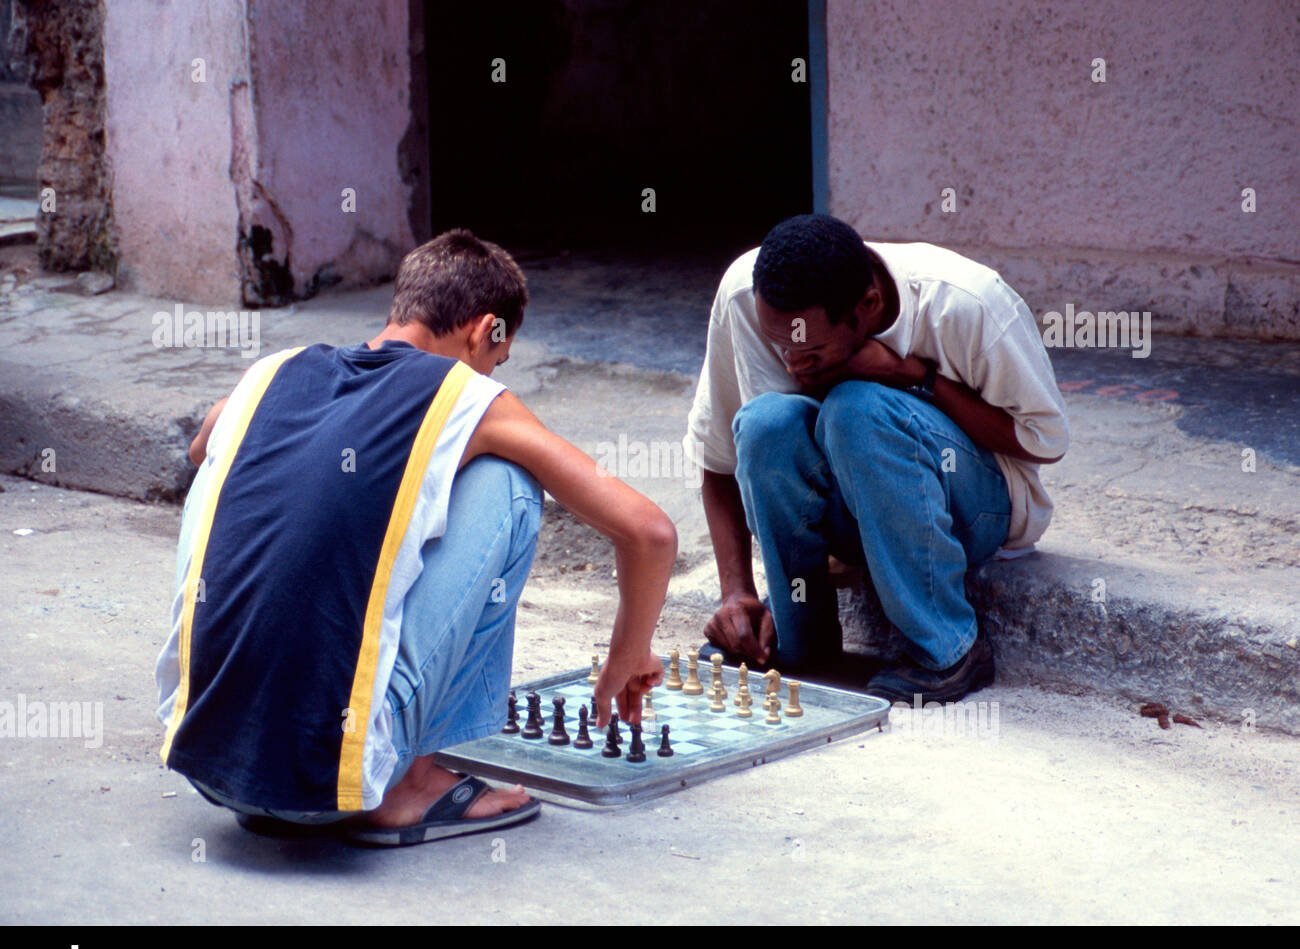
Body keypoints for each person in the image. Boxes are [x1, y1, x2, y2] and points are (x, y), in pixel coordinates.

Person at [154, 229, 677, 846]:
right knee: (510, 478)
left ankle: (282, 745)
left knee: (236, 453)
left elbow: (199, 448)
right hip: (332, 788)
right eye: (497, 359)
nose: (492, 373)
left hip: (206, 764)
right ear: (489, 332)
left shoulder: (271, 372)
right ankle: (410, 784)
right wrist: (626, 656)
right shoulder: (468, 397)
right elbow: (650, 532)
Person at [684, 213, 1069, 703]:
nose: (792, 365)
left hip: (975, 508)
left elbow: (1044, 440)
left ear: (867, 306)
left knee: (856, 409)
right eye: (781, 347)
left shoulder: (965, 303)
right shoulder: (746, 292)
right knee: (764, 424)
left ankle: (949, 649)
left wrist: (913, 377)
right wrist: (736, 592)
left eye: (812, 350)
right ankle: (802, 645)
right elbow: (718, 457)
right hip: (855, 516)